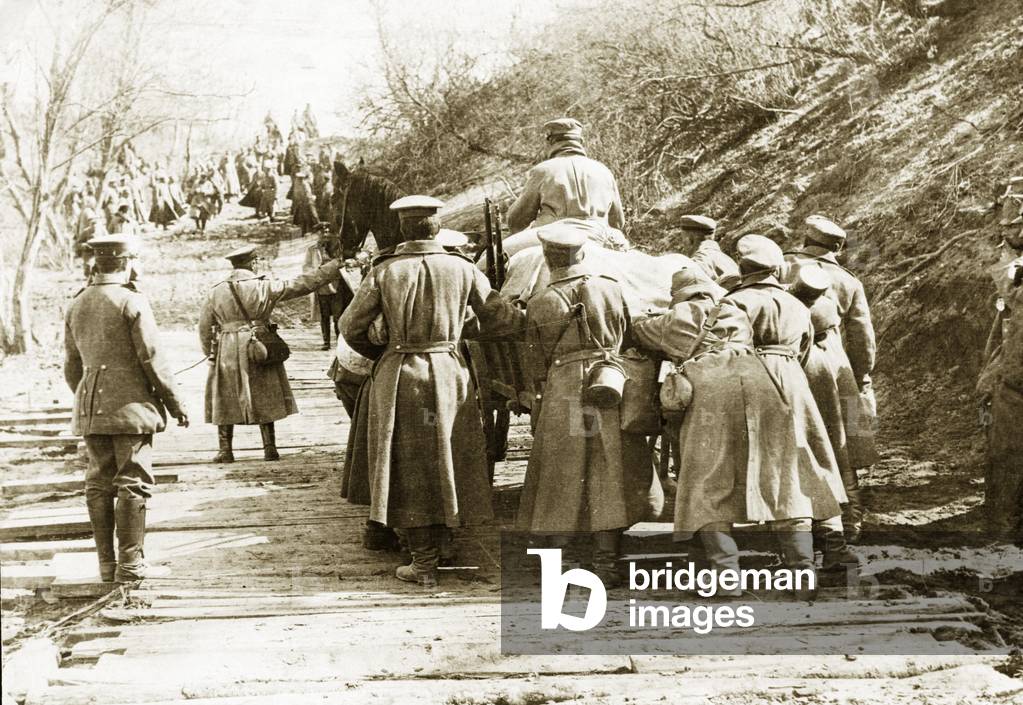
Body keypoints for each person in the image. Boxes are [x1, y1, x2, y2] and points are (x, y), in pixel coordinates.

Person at [339, 195, 520, 587]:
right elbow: (499, 318)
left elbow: (349, 326)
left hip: (399, 375)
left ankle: (422, 561)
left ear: (404, 229)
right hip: (451, 372)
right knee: (451, 457)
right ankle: (446, 543)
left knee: (408, 465)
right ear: (436, 227)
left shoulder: (384, 271)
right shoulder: (463, 268)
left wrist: (384, 353)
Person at [515, 223, 662, 587]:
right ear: (581, 254)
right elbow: (633, 334)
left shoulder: (541, 302)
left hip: (562, 389)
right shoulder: (612, 288)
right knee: (610, 472)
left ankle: (564, 565)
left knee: (559, 474)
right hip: (608, 382)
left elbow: (534, 364)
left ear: (548, 258)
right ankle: (608, 563)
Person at [726, 234, 855, 582]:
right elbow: (804, 349)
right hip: (796, 384)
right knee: (813, 465)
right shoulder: (798, 305)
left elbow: (728, 352)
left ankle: (799, 564)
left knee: (776, 472)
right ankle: (836, 550)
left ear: (743, 267)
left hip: (757, 382)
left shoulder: (736, 303)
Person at [64, 236, 189, 582]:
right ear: (127, 263)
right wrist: (175, 404)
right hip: (132, 411)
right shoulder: (132, 301)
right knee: (133, 483)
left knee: (98, 484)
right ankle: (131, 566)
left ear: (96, 265)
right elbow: (152, 359)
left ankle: (106, 566)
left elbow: (71, 367)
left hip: (92, 411)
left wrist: (91, 402)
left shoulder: (77, 303)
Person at [198, 244, 344, 463]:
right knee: (263, 390)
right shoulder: (264, 286)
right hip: (259, 343)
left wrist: (210, 351)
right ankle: (270, 448)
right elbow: (302, 284)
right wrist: (334, 266)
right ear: (253, 263)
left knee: (225, 395)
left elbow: (203, 327)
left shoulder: (216, 290)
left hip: (227, 347)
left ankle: (226, 451)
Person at [781, 216, 878, 539]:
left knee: (792, 439)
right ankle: (849, 518)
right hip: (832, 363)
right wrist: (862, 375)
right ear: (838, 248)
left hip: (787, 360)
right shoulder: (847, 281)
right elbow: (862, 336)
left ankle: (800, 521)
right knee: (840, 442)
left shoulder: (783, 266)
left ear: (806, 238)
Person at [977, 179, 1023, 539]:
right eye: (1010, 225)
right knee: (1005, 445)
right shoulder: (1005, 263)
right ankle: (1003, 520)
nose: (1013, 232)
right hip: (1010, 359)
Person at [506, 118, 628, 250]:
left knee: (491, 259)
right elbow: (618, 222)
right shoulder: (603, 170)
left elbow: (517, 221)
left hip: (554, 235)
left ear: (550, 141)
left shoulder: (543, 170)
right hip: (600, 234)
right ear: (581, 142)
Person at [303, 227, 345, 349]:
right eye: (322, 232)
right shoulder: (312, 250)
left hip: (336, 286)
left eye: (328, 232)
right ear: (317, 234)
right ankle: (326, 342)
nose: (325, 235)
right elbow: (306, 267)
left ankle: (339, 341)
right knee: (324, 316)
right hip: (322, 287)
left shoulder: (338, 248)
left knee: (338, 316)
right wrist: (316, 273)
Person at [679, 214, 740, 286]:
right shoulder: (728, 259)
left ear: (691, 239)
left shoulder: (699, 261)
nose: (683, 245)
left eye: (683, 240)